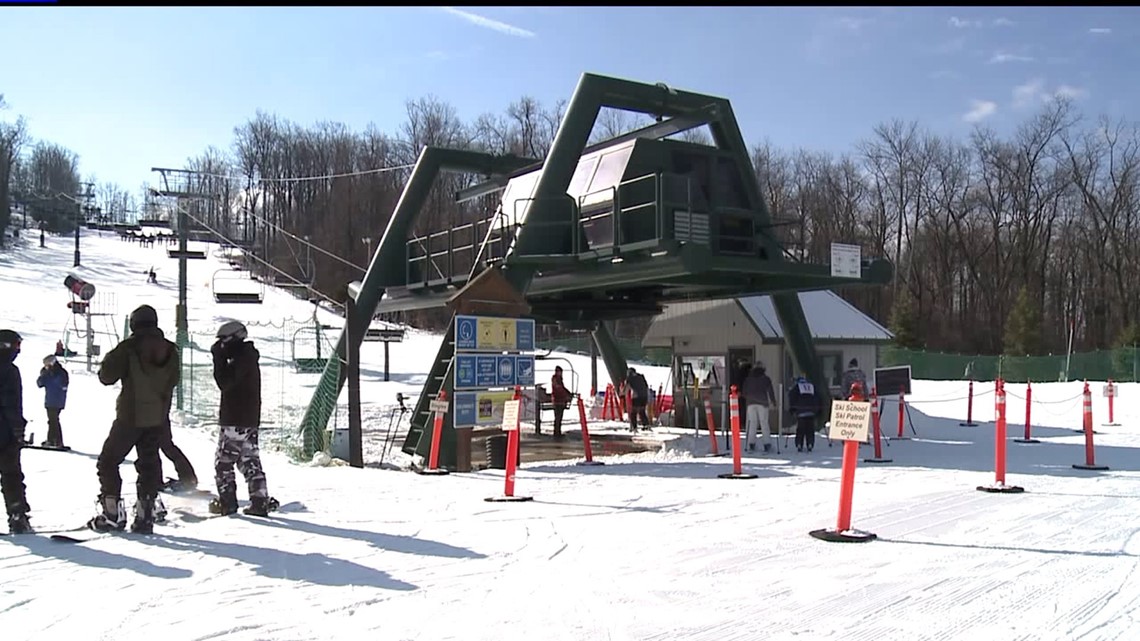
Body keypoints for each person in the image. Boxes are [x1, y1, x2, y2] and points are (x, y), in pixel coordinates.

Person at [89, 304, 180, 534]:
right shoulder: (171, 350)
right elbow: (174, 380)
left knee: (108, 461)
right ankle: (145, 515)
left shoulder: (129, 348)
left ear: (134, 324)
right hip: (157, 417)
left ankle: (112, 513)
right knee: (149, 465)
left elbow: (106, 376)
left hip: (130, 417)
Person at [209, 321, 277, 517]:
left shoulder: (240, 359)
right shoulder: (246, 356)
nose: (221, 346)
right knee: (249, 460)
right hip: (248, 418)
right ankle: (259, 501)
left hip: (235, 419)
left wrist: (218, 359)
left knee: (223, 462)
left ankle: (227, 503)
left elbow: (225, 383)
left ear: (234, 338)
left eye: (223, 341)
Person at [0, 330, 31, 534]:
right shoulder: (9, 371)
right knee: (11, 475)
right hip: (5, 433)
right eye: (16, 346)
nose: (18, 351)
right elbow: (11, 403)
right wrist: (18, 429)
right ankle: (17, 515)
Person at [741, 361, 777, 453]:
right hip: (762, 403)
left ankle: (751, 444)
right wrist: (774, 402)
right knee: (764, 423)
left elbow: (744, 392)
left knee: (752, 423)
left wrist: (749, 397)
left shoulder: (748, 379)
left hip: (750, 403)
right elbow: (770, 391)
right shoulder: (765, 379)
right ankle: (767, 444)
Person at [36, 355, 69, 448]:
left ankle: (57, 440)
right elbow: (39, 384)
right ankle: (52, 440)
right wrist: (43, 375)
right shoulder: (47, 373)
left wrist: (50, 375)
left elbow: (63, 384)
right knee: (52, 420)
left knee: (53, 420)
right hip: (49, 399)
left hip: (57, 400)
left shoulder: (60, 372)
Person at [788, 375, 822, 453]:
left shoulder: (797, 387)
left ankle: (799, 444)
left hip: (801, 412)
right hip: (811, 412)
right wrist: (818, 410)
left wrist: (792, 409)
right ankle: (810, 444)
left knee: (800, 429)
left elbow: (792, 397)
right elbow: (818, 397)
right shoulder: (812, 386)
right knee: (810, 429)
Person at [624, 367, 650, 432]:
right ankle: (646, 425)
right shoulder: (641, 377)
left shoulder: (630, 379)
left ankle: (634, 427)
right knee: (642, 411)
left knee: (633, 412)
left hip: (636, 397)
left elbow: (626, 390)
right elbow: (646, 386)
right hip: (644, 396)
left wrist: (622, 393)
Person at [550, 366, 570, 439]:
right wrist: (566, 394)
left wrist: (568, 393)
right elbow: (559, 389)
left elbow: (562, 388)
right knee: (558, 417)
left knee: (559, 417)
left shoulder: (559, 379)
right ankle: (556, 432)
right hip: (558, 400)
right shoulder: (555, 379)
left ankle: (558, 431)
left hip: (560, 400)